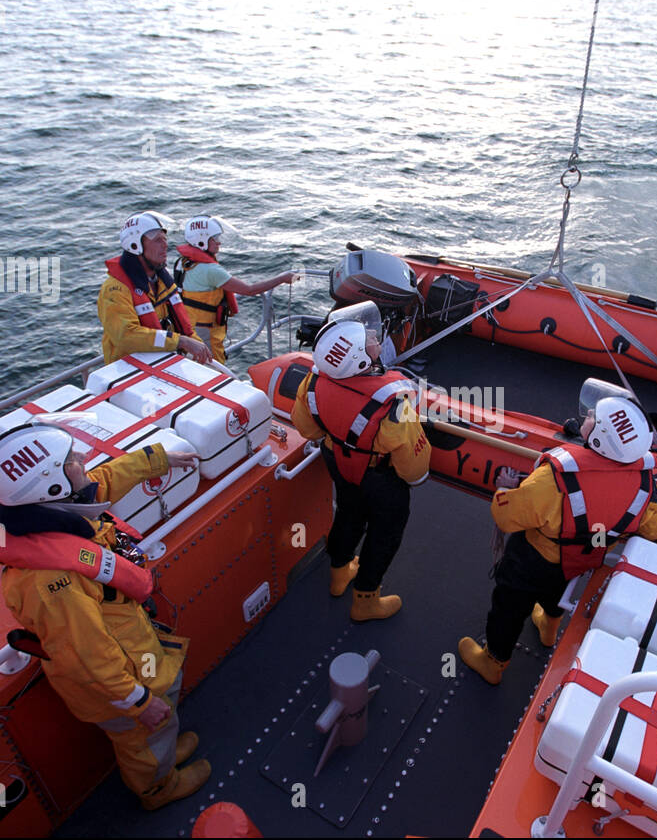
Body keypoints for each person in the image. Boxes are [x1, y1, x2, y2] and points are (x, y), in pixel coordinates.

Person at [0, 422, 211, 810]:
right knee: (142, 739)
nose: (83, 459)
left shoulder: (44, 509)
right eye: (71, 460)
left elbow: (98, 482)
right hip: (120, 685)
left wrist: (154, 460)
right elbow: (85, 656)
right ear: (51, 486)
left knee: (160, 726)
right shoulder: (52, 584)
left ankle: (166, 744)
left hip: (126, 650)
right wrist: (137, 701)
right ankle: (158, 786)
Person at [458, 382, 657, 685]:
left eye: (592, 420)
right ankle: (549, 627)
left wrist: (504, 488)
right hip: (583, 560)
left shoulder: (554, 479)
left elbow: (506, 517)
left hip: (533, 558)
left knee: (508, 608)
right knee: (557, 594)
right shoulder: (647, 487)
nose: (586, 418)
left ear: (599, 438)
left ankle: (493, 662)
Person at [290, 303, 430, 622]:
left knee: (349, 514)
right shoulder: (396, 402)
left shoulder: (312, 383)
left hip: (336, 459)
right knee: (385, 533)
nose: (375, 338)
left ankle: (339, 572)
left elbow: (307, 428)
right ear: (361, 359)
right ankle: (365, 600)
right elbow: (415, 467)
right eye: (369, 340)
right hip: (379, 477)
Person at [174, 215, 296, 365]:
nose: (219, 242)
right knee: (213, 367)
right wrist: (282, 278)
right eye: (215, 238)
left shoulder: (183, 262)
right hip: (205, 332)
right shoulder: (210, 270)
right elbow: (249, 290)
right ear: (201, 241)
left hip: (188, 326)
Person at [98, 211, 213, 365]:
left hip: (166, 363)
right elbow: (126, 336)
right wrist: (180, 342)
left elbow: (184, 328)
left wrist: (201, 351)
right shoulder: (115, 290)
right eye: (158, 240)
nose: (165, 245)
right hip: (131, 371)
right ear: (135, 245)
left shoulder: (162, 282)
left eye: (165, 239)